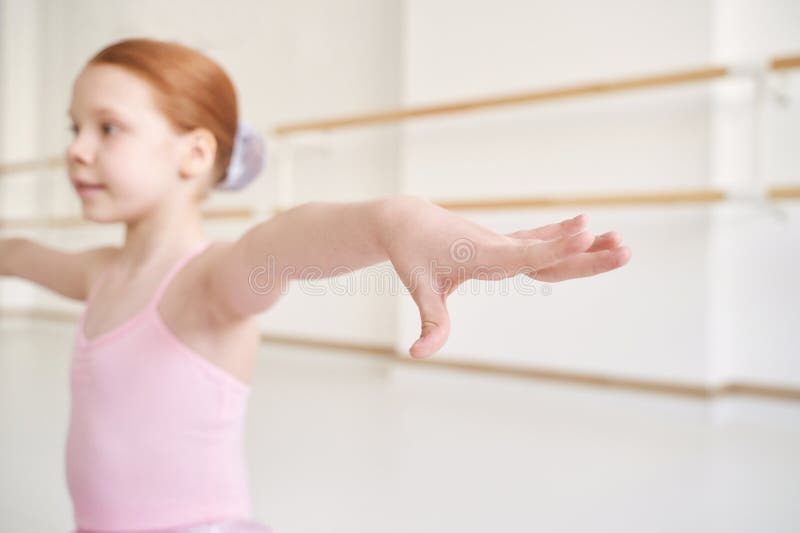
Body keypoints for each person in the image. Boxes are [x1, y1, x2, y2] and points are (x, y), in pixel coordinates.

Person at [0, 37, 631, 533]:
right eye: (73, 127)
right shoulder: (99, 274)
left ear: (193, 154)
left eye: (106, 128)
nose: (77, 149)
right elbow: (19, 253)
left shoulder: (206, 284)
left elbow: (283, 245)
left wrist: (391, 222)